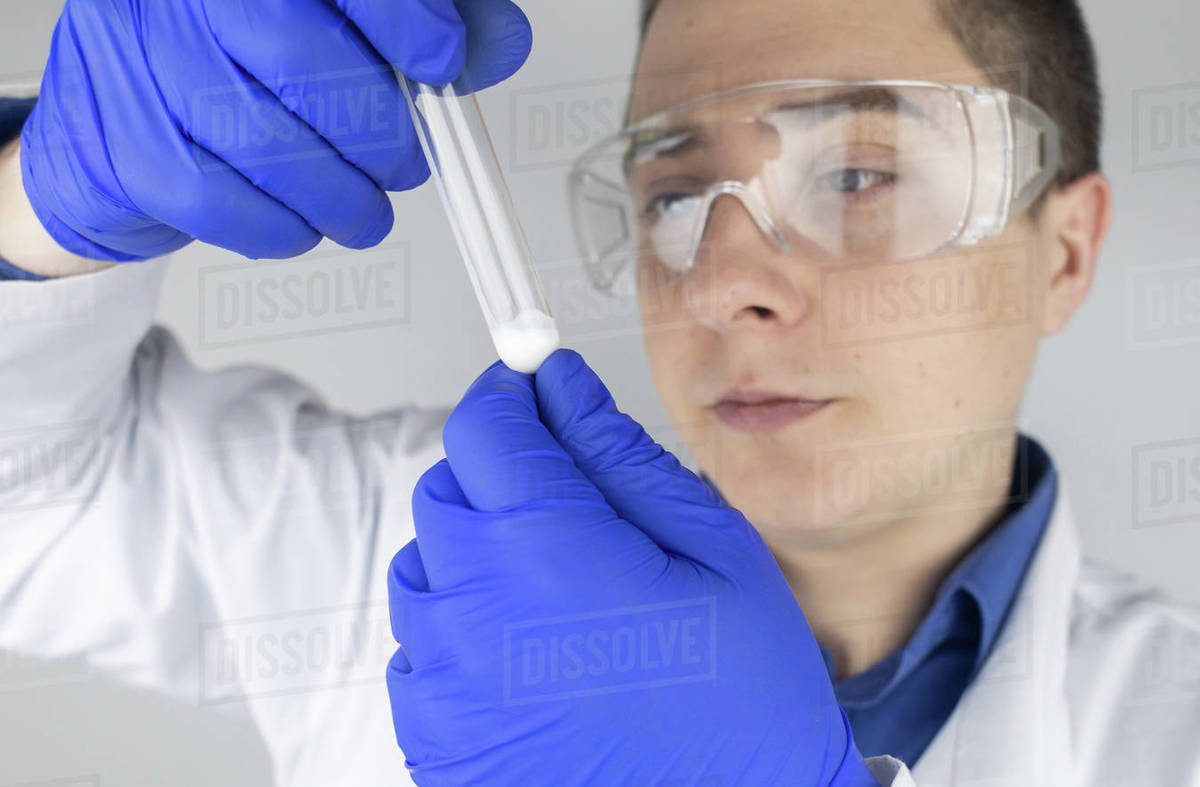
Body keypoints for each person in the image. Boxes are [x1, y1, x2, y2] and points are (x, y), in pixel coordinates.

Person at [0, 0, 1196, 784]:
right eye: (676, 196)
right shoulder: (407, 545)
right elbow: (35, 503)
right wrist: (41, 206)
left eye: (858, 175)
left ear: (1066, 251)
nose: (726, 280)